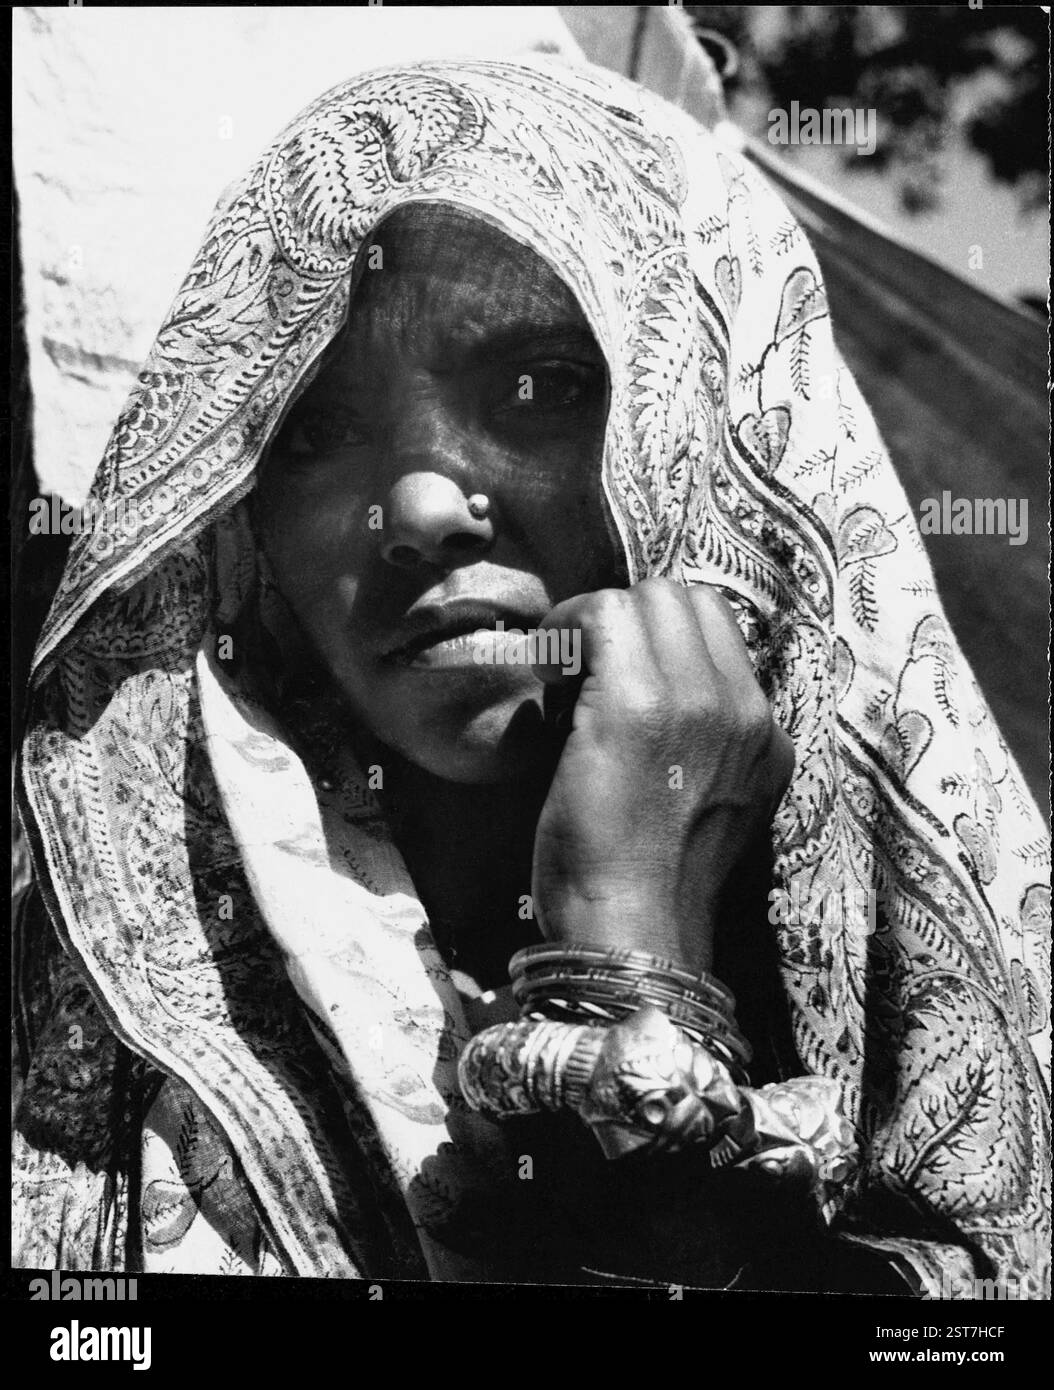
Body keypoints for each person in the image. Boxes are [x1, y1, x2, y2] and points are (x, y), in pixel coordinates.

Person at [14, 56, 1049, 1294]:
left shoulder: (959, 1053)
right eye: (315, 431)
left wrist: (625, 954)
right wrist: (627, 954)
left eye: (543, 388)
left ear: (723, 440)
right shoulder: (125, 1040)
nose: (419, 508)